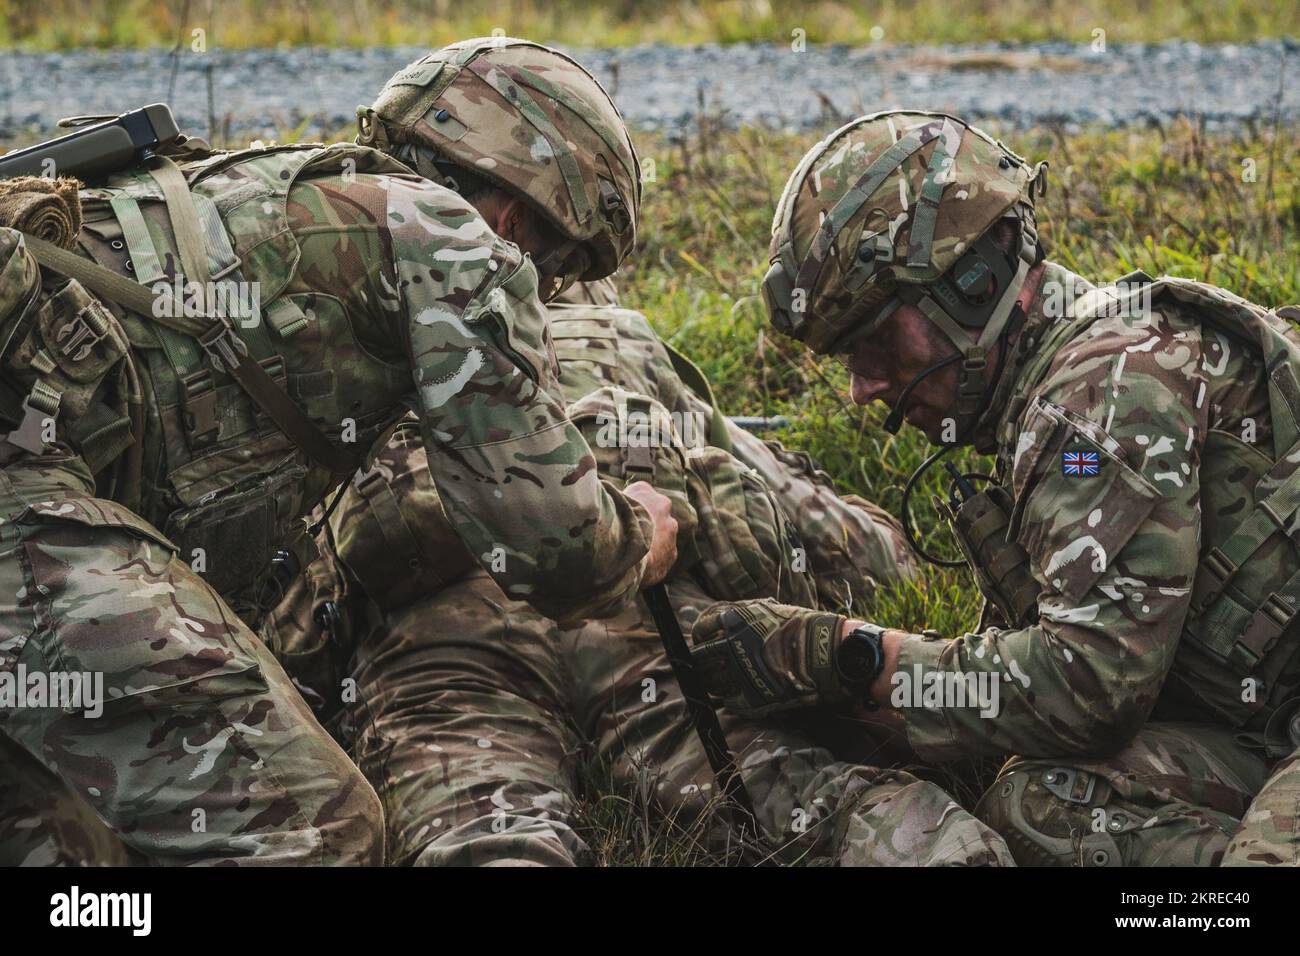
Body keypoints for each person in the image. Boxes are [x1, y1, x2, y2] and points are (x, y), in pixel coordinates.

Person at [0, 36, 674, 864]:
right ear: (519, 217)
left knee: (66, 840)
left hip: (38, 497)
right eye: (560, 269)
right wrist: (638, 538)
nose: (550, 290)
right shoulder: (453, 238)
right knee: (316, 829)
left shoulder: (273, 197)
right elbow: (550, 542)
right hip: (23, 506)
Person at [690, 109, 1300, 867]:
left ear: (972, 286)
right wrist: (828, 699)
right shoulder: (1054, 391)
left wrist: (852, 657)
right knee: (1041, 807)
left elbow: (1091, 689)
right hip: (1265, 718)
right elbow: (1018, 688)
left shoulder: (1098, 396)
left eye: (873, 341)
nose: (861, 388)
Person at [265, 262, 1011, 865]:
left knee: (479, 833)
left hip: (444, 636)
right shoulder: (622, 339)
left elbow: (305, 564)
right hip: (648, 615)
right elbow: (849, 545)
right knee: (824, 802)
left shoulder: (378, 358)